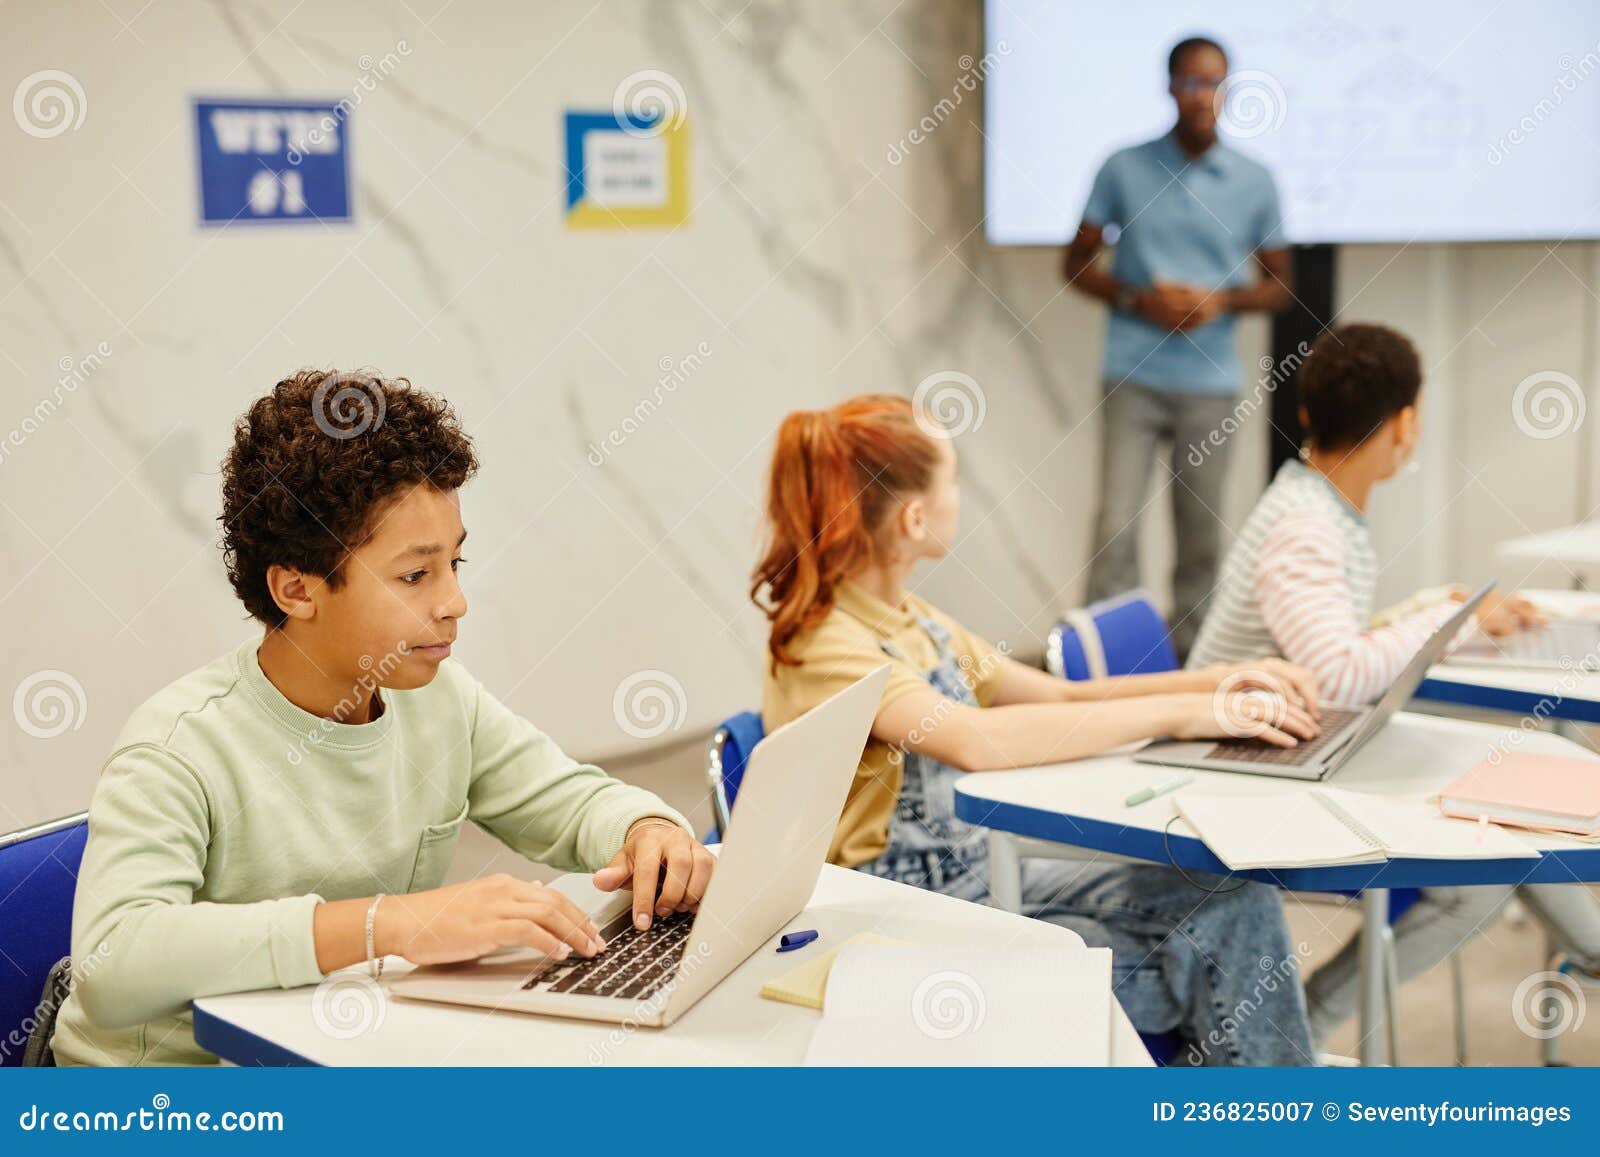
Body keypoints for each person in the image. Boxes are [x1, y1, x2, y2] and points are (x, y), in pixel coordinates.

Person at [51, 370, 715, 1066]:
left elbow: (570, 800)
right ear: (296, 589)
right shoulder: (177, 748)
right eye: (415, 575)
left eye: (456, 561)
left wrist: (645, 829)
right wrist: (386, 924)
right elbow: (111, 965)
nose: (455, 602)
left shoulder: (438, 700)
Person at [753, 393, 1322, 1065]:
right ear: (913, 517)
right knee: (1202, 942)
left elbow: (1060, 693)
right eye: (953, 481)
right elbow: (974, 739)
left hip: (981, 866)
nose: (960, 497)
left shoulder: (913, 617)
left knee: (1225, 897)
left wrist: (1216, 682)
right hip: (903, 905)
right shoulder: (827, 643)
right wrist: (1183, 714)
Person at [1187, 322, 1600, 1047]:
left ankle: (1593, 950)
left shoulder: (1315, 502)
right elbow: (1338, 671)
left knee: (1495, 801)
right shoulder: (1306, 525)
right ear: (1406, 423)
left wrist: (1443, 611)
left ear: (1308, 412)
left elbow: (1334, 636)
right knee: (1475, 874)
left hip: (1291, 741)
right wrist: (1450, 620)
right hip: (1244, 769)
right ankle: (1304, 1022)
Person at [1065, 35, 1292, 657]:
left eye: (1215, 84)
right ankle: (1104, 662)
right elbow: (1075, 263)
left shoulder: (1255, 181)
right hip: (1132, 374)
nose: (1202, 97)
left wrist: (1221, 301)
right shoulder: (1123, 167)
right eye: (1191, 83)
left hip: (1210, 383)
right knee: (1115, 528)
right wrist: (1139, 299)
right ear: (1170, 87)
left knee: (1200, 537)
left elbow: (1280, 286)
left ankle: (1193, 664)